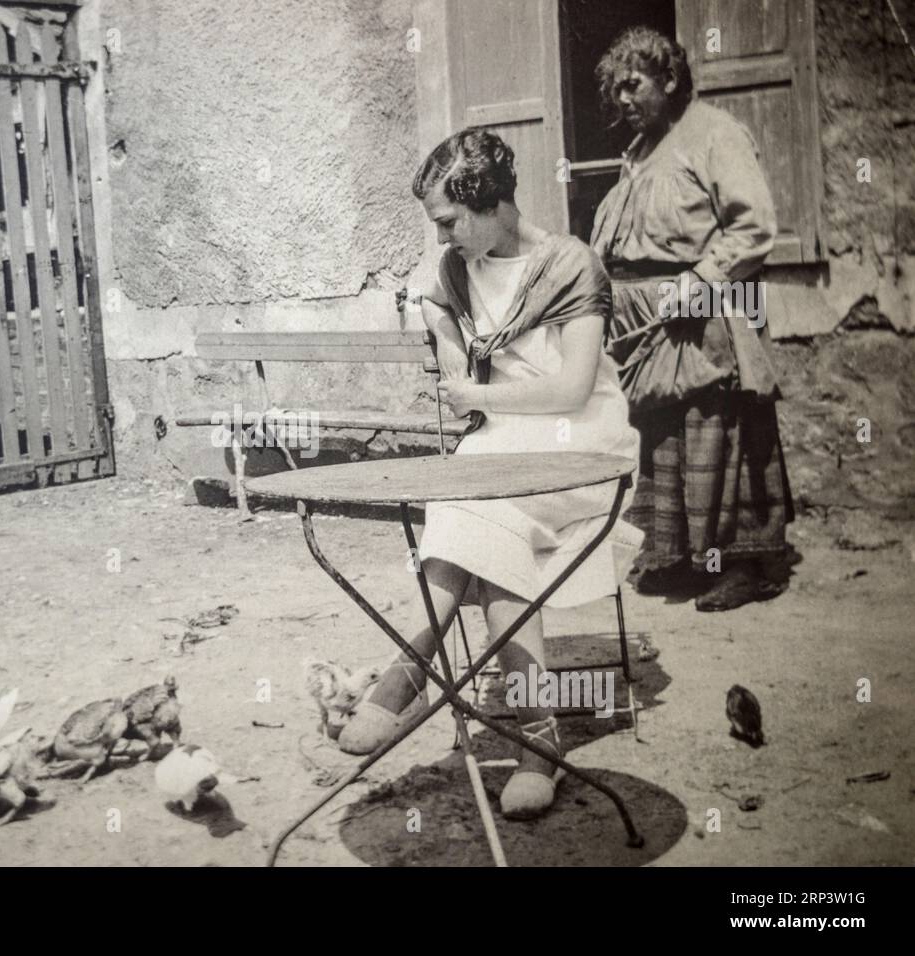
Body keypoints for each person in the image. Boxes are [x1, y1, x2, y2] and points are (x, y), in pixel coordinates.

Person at [338, 127, 641, 822]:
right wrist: (449, 350)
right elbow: (451, 341)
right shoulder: (453, 270)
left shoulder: (572, 266)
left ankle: (410, 670)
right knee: (477, 507)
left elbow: (571, 390)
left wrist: (480, 397)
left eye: (448, 221)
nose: (442, 237)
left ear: (491, 204)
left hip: (580, 441)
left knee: (481, 500)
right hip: (502, 444)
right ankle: (537, 737)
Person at [591, 26, 795, 611]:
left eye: (632, 86)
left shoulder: (714, 134)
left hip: (706, 313)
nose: (622, 101)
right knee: (667, 438)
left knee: (718, 428)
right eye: (616, 91)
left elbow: (753, 227)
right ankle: (680, 556)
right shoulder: (640, 152)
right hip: (652, 324)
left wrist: (701, 280)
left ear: (671, 78)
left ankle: (746, 563)